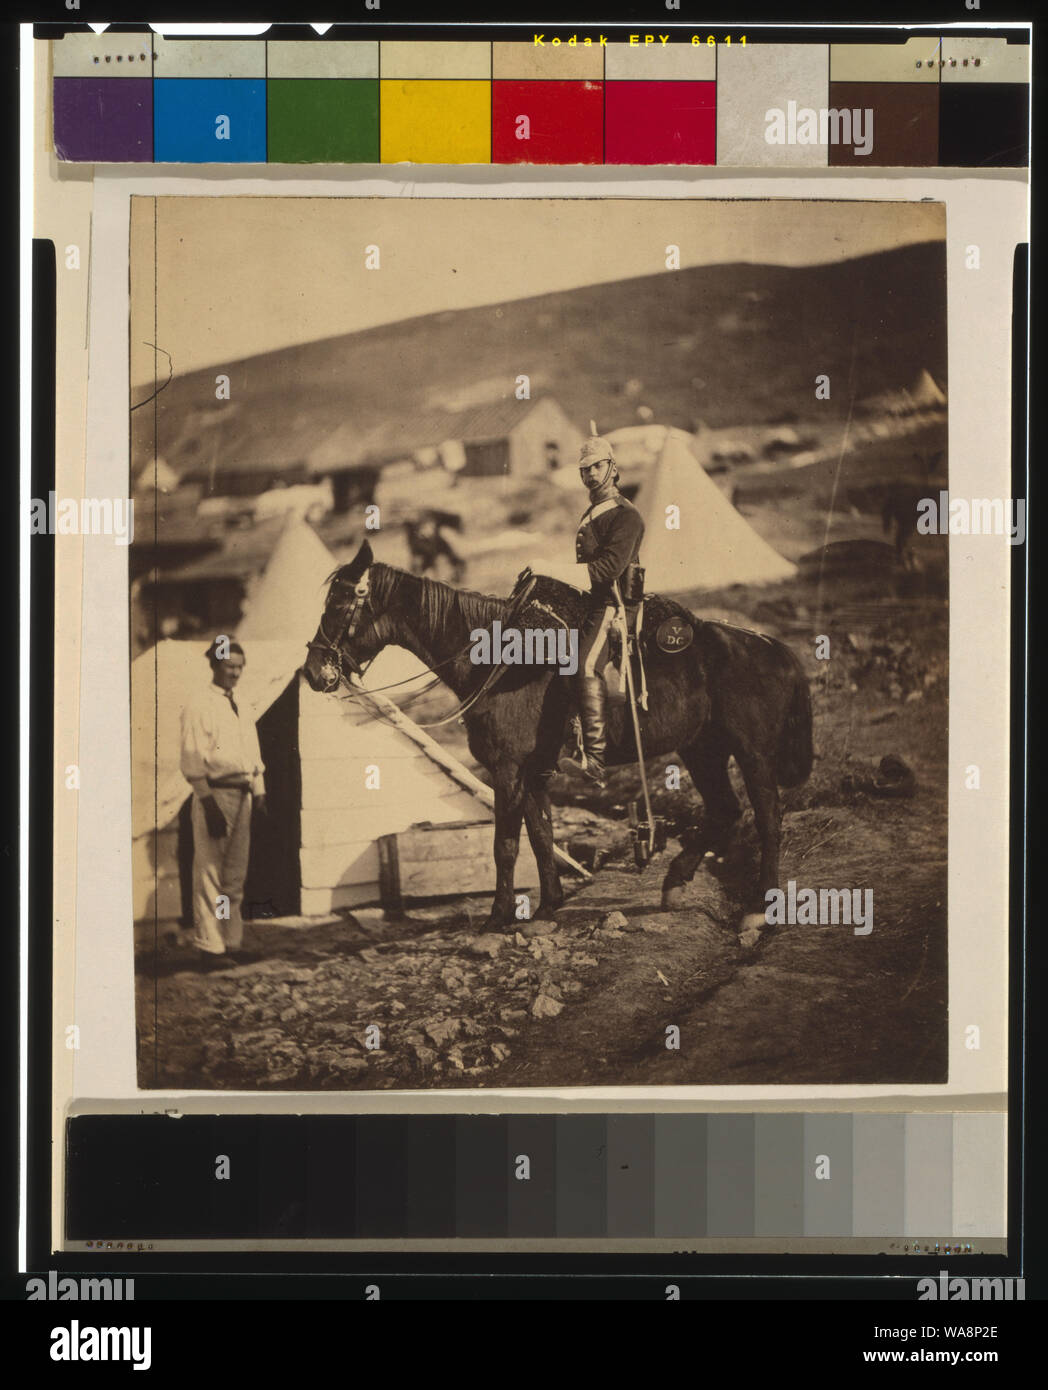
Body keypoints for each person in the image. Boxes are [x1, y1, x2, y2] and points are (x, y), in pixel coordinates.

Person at [561, 432, 645, 788]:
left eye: (598, 466)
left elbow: (606, 571)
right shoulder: (591, 512)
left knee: (583, 664)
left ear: (613, 467)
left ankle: (595, 759)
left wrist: (556, 570)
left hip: (614, 605)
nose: (591, 474)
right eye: (585, 469)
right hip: (591, 602)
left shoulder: (626, 516)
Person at [179, 638, 266, 970]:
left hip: (242, 795)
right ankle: (209, 949)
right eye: (230, 666)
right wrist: (207, 802)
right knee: (210, 875)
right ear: (215, 665)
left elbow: (252, 754)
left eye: (240, 667)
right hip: (214, 796)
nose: (235, 673)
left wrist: (260, 792)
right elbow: (190, 758)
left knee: (233, 877)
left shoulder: (241, 703)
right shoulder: (199, 704)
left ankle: (230, 942)